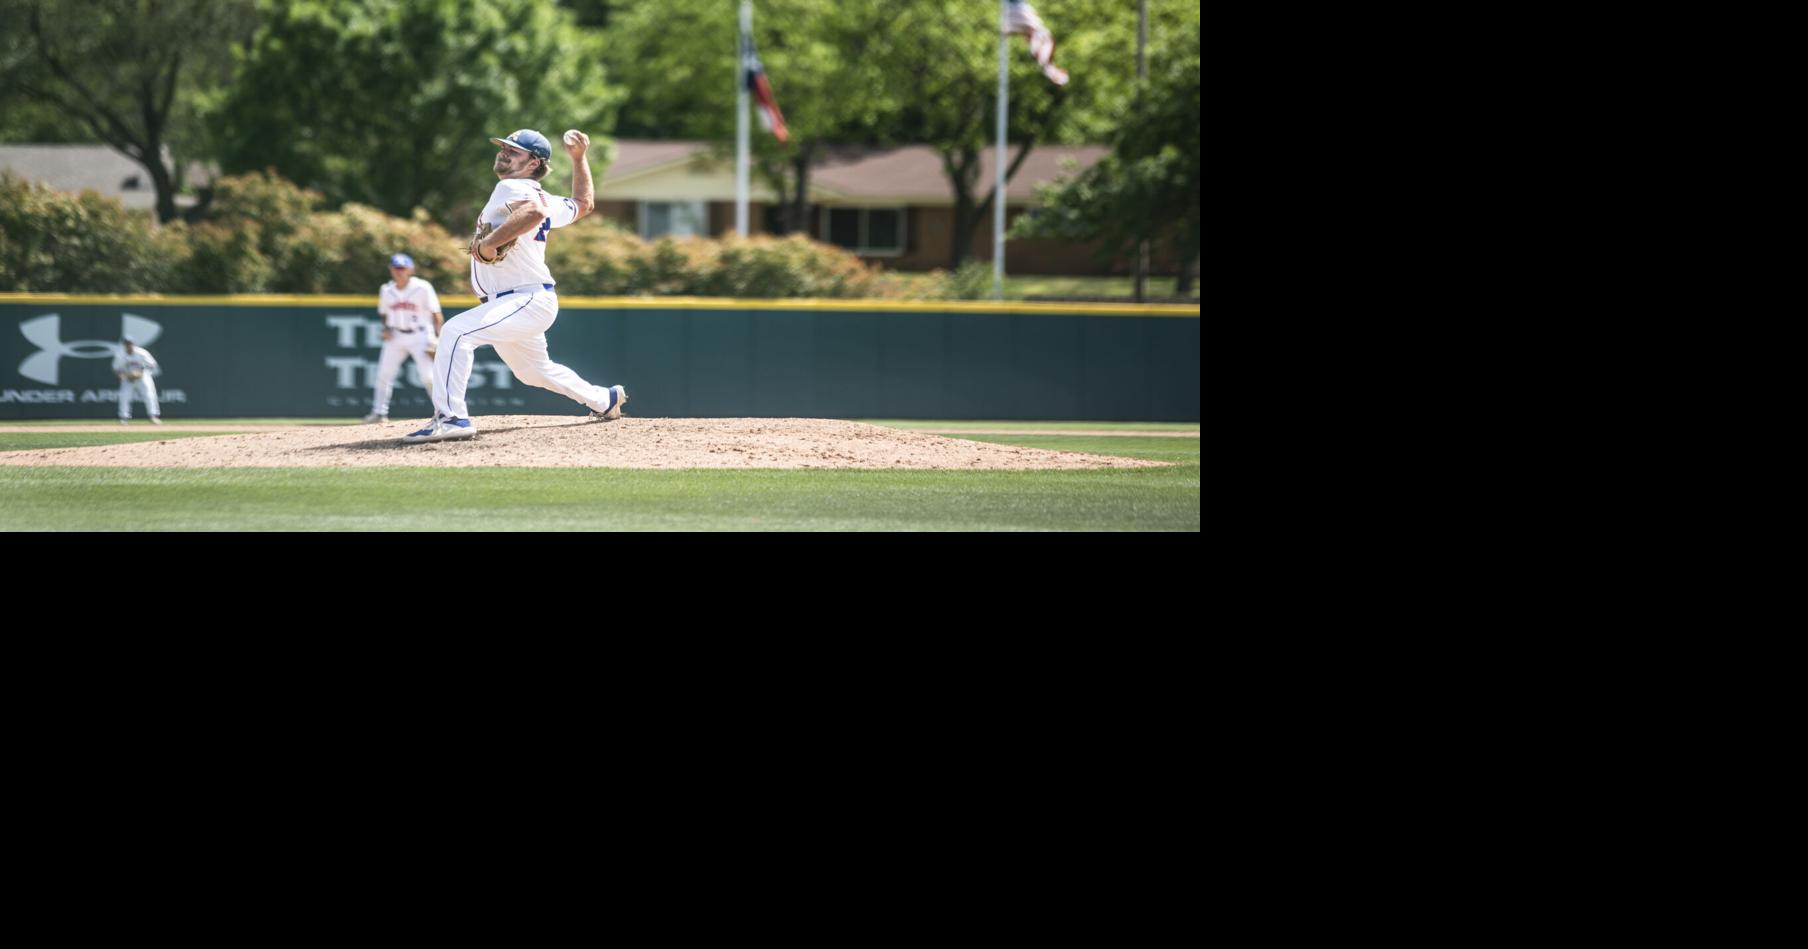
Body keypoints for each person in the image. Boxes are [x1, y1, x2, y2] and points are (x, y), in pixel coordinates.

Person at [403, 128, 627, 443]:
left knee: (456, 332)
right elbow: (583, 203)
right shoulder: (540, 195)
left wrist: (489, 244)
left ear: (533, 163)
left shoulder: (512, 187)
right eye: (504, 148)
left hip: (525, 298)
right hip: (520, 302)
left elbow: (533, 213)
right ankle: (605, 399)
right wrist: (579, 159)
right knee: (533, 372)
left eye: (514, 151)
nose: (504, 153)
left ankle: (452, 418)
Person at [365, 253, 443, 423]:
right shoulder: (386, 290)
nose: (399, 271)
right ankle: (379, 413)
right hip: (396, 336)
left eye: (402, 268)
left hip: (421, 335)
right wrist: (386, 329)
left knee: (428, 377)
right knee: (384, 374)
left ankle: (443, 411)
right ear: (391, 270)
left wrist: (439, 338)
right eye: (396, 268)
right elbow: (384, 313)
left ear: (410, 269)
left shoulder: (422, 287)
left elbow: (436, 314)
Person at [112, 338, 161, 425]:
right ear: (124, 345)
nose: (129, 346)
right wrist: (121, 376)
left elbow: (152, 364)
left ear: (134, 344)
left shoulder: (142, 353)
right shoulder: (120, 354)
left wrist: (141, 372)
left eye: (130, 344)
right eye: (127, 344)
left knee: (149, 395)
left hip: (143, 377)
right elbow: (116, 369)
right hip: (128, 378)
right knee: (124, 396)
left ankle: (153, 416)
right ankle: (124, 418)